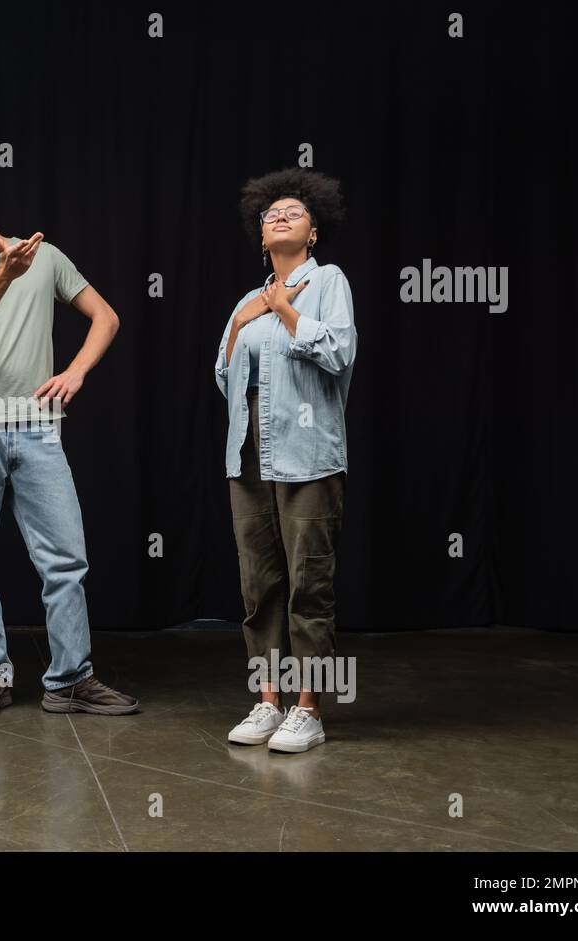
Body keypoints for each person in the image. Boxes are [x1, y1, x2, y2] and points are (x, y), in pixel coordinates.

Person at [0, 155, 139, 719]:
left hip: (37, 429)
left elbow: (106, 318)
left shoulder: (45, 256)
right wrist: (2, 274)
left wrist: (76, 371)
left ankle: (69, 680)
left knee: (65, 559)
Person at [214, 168, 355, 753]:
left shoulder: (328, 282)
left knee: (308, 586)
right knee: (259, 587)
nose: (278, 217)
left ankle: (309, 709)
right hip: (247, 456)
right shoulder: (248, 301)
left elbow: (339, 353)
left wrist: (286, 312)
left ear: (313, 232)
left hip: (308, 457)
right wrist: (245, 322)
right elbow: (224, 377)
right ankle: (267, 701)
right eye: (270, 213)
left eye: (292, 212)